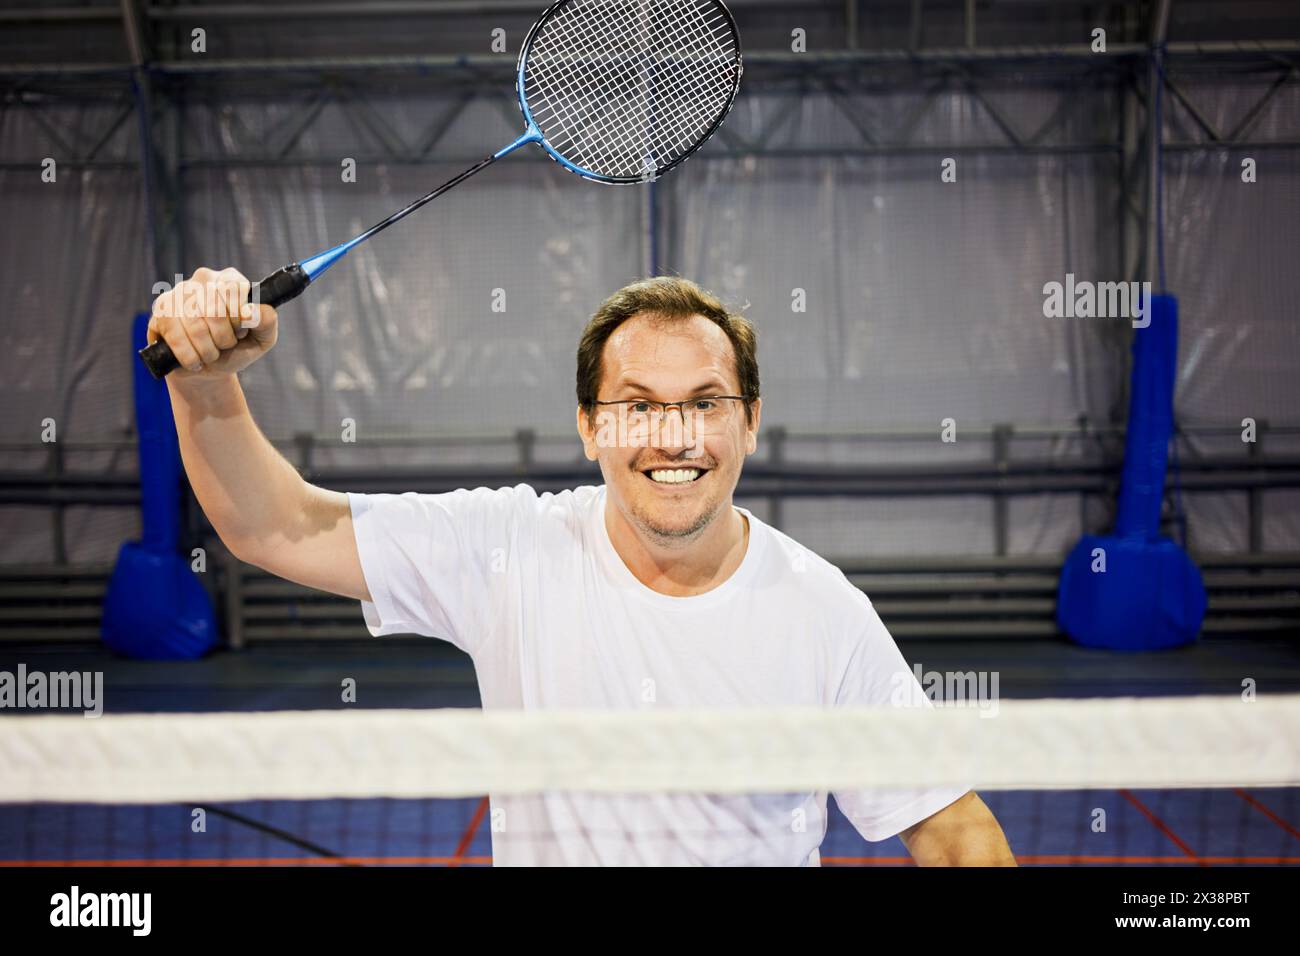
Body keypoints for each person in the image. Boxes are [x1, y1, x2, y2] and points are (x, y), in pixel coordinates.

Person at [150, 269, 1015, 866]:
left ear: (750, 421)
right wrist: (203, 382)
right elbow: (276, 527)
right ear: (589, 427)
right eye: (638, 406)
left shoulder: (824, 609)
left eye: (706, 403)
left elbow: (951, 828)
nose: (674, 437)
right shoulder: (510, 551)